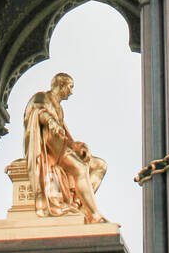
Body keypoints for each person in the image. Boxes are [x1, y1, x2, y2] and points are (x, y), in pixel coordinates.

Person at [23, 72, 107, 223]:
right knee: (81, 169)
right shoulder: (41, 97)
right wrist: (50, 121)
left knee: (100, 165)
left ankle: (79, 205)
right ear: (61, 85)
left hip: (63, 149)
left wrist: (79, 146)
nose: (71, 92)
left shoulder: (59, 108)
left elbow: (66, 136)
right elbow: (36, 113)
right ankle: (95, 215)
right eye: (70, 87)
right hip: (50, 152)